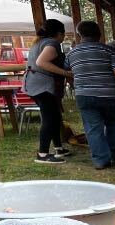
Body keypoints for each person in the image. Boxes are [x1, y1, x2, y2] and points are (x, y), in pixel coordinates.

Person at [65, 21, 115, 169]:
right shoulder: (109, 51)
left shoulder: (72, 53)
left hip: (84, 95)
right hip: (110, 95)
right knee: (113, 124)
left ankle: (101, 160)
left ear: (79, 35)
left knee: (92, 127)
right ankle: (114, 154)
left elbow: (68, 73)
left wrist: (77, 84)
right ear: (99, 33)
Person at [23, 19, 73, 165]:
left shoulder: (38, 42)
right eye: (63, 34)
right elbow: (41, 62)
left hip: (33, 84)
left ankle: (58, 148)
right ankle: (42, 154)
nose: (63, 37)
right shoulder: (52, 43)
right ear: (59, 33)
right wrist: (66, 73)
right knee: (49, 118)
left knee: (55, 116)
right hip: (43, 86)